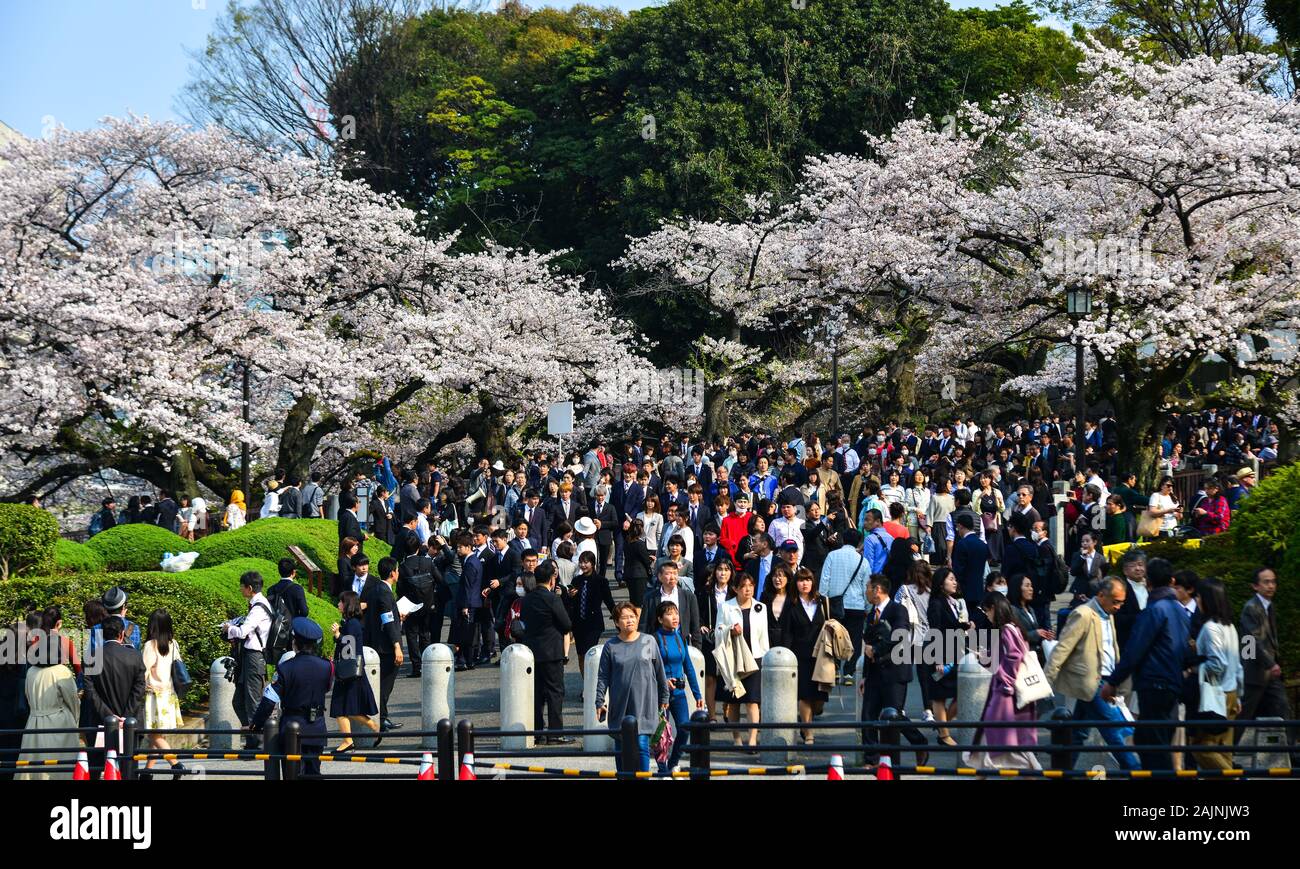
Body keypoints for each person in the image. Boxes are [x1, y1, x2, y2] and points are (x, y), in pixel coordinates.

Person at [1102, 558, 1190, 770]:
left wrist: (1113, 682)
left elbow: (1135, 649)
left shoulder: (1154, 611)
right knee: (1150, 738)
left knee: (1153, 744)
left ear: (1148, 582)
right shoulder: (1180, 610)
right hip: (1173, 682)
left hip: (1154, 683)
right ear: (1172, 581)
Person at [1046, 577, 1139, 771]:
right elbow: (1063, 648)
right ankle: (1136, 771)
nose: (1119, 606)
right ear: (1101, 595)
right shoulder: (1083, 614)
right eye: (1115, 601)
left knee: (1079, 732)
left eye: (1121, 602)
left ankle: (1062, 771)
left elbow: (1110, 648)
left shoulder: (1108, 613)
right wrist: (1047, 679)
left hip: (1104, 680)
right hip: (1091, 681)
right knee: (1115, 731)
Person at [250, 618, 333, 777]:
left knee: (292, 773)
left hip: (291, 728)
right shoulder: (327, 667)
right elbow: (326, 687)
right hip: (317, 728)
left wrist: (256, 724)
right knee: (314, 772)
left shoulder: (285, 668)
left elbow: (269, 701)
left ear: (295, 642)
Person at [859, 574, 929, 763]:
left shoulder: (898, 610)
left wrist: (877, 649)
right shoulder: (871, 614)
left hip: (895, 671)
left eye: (868, 587)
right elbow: (867, 647)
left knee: (894, 715)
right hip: (874, 673)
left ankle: (919, 743)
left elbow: (900, 635)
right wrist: (865, 675)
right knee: (868, 716)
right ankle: (871, 760)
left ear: (877, 590)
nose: (866, 591)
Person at [966, 593, 1040, 770]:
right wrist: (984, 657)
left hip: (1006, 692)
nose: (986, 615)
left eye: (986, 610)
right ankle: (983, 769)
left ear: (993, 608)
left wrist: (1005, 680)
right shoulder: (1014, 627)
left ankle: (985, 769)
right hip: (1014, 690)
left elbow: (1014, 655)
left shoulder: (1006, 629)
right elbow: (1008, 655)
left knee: (998, 733)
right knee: (1007, 736)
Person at [595, 602, 670, 774]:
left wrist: (664, 696)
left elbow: (659, 671)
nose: (629, 620)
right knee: (621, 746)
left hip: (644, 702)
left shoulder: (648, 641)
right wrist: (599, 701)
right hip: (620, 704)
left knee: (642, 745)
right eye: (624, 617)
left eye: (632, 616)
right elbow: (603, 676)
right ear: (616, 622)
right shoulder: (611, 646)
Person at [1189, 577, 1243, 770]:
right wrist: (1239, 696)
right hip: (1232, 693)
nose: (1196, 601)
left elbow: (1217, 664)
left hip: (1215, 695)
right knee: (1224, 750)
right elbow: (1238, 666)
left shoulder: (1210, 628)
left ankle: (1234, 776)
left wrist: (1193, 669)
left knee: (1202, 748)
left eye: (1198, 597)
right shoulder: (1230, 626)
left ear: (1206, 599)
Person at [15, 621, 80, 781]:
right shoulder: (61, 671)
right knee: (60, 765)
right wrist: (75, 720)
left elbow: (29, 697)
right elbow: (72, 700)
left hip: (34, 721)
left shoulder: (31, 671)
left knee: (33, 766)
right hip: (59, 721)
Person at [1238, 567, 1291, 748]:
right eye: (1266, 582)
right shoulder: (1250, 608)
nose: (1271, 586)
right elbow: (1250, 641)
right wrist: (1268, 664)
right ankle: (1228, 751)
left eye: (1273, 581)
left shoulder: (1269, 607)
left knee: (1282, 707)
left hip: (1268, 672)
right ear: (1255, 586)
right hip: (1257, 672)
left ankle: (1290, 752)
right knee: (1244, 715)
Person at [522, 558, 573, 744]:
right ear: (552, 579)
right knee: (555, 692)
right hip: (552, 651)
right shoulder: (553, 598)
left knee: (536, 693)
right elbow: (566, 623)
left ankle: (538, 732)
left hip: (532, 651)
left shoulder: (527, 599)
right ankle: (555, 732)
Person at [716, 572, 769, 748]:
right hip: (733, 659)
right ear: (735, 589)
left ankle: (752, 739)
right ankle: (737, 738)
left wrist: (766, 658)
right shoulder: (725, 607)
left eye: (751, 585)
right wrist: (729, 629)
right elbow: (717, 631)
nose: (748, 589)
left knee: (753, 701)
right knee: (734, 701)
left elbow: (764, 638)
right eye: (744, 586)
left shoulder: (761, 607)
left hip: (755, 658)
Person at [652, 601, 704, 774]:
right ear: (660, 619)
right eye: (669, 614)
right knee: (662, 734)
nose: (674, 617)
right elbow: (650, 668)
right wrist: (664, 681)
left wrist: (698, 694)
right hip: (661, 694)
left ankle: (673, 763)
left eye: (676, 613)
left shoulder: (679, 637)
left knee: (684, 728)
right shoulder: (655, 639)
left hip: (679, 692)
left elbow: (688, 666)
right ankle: (662, 770)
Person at [223, 572, 272, 747]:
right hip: (248, 657)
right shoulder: (256, 604)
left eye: (242, 586)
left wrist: (229, 628)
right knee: (238, 701)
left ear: (249, 588)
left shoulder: (258, 607)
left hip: (254, 657)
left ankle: (256, 741)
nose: (240, 589)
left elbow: (243, 632)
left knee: (253, 701)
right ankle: (252, 733)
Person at [329, 591, 379, 752]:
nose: (338, 605)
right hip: (351, 672)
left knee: (341, 708)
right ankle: (369, 729)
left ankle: (352, 738)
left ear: (347, 604)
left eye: (340, 602)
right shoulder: (352, 622)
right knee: (347, 708)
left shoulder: (351, 624)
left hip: (349, 673)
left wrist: (337, 635)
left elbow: (348, 647)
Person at [141, 609, 186, 780]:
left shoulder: (150, 646)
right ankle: (147, 772)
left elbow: (143, 672)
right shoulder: (173, 643)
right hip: (169, 694)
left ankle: (176, 764)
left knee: (154, 735)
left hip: (154, 696)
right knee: (158, 736)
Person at [820, 528, 868, 686]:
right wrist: (868, 606)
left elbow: (825, 579)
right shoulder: (862, 561)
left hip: (835, 603)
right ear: (858, 542)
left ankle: (833, 669)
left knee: (834, 636)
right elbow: (866, 585)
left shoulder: (832, 556)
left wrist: (823, 600)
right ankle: (848, 672)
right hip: (856, 604)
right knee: (853, 639)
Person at [927, 569, 970, 746]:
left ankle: (942, 726)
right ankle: (944, 735)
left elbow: (950, 626)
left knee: (960, 693)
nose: (955, 582)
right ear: (940, 583)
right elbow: (936, 631)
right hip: (941, 655)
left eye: (955, 579)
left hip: (954, 653)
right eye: (951, 579)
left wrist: (965, 626)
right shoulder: (936, 604)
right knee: (939, 696)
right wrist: (938, 659)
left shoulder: (951, 602)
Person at [787, 567, 829, 743]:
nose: (805, 584)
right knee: (804, 695)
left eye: (808, 580)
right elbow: (787, 632)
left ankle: (808, 723)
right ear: (795, 583)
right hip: (800, 655)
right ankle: (808, 731)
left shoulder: (823, 602)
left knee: (818, 700)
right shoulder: (791, 604)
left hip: (821, 655)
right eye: (801, 580)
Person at [362, 556, 404, 731]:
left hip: (373, 642)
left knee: (380, 683)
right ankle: (381, 718)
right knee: (384, 684)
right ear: (393, 573)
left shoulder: (374, 589)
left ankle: (381, 717)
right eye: (397, 570)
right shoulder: (385, 593)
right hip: (385, 646)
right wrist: (396, 646)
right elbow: (387, 620)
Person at [697, 559, 735, 720]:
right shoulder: (705, 591)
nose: (723, 573)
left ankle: (728, 708)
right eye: (720, 569)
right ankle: (712, 716)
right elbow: (697, 611)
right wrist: (700, 625)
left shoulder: (735, 591)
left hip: (730, 638)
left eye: (726, 570)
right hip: (711, 638)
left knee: (729, 676)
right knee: (711, 677)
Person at [570, 551, 616, 677]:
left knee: (589, 653)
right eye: (581, 562)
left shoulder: (601, 581)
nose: (583, 565)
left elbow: (609, 601)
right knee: (580, 655)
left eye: (586, 562)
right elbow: (571, 603)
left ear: (593, 564)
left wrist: (617, 617)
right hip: (578, 623)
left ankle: (592, 682)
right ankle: (585, 683)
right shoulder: (576, 580)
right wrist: (571, 596)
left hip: (593, 623)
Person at [640, 560, 701, 644]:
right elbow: (643, 624)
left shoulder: (689, 597)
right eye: (668, 573)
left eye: (675, 573)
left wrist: (697, 648)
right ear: (660, 576)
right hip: (657, 643)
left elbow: (695, 627)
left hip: (682, 643)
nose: (672, 577)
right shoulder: (650, 597)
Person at [950, 512, 989, 606]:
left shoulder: (962, 544)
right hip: (979, 590)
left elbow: (958, 570)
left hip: (964, 591)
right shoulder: (982, 545)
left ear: (960, 526)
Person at [622, 518, 655, 609]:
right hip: (639, 575)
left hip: (629, 573)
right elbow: (645, 560)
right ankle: (638, 621)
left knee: (633, 600)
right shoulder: (640, 543)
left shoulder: (627, 542)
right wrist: (650, 560)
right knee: (639, 603)